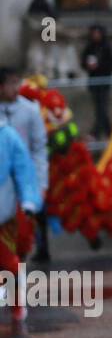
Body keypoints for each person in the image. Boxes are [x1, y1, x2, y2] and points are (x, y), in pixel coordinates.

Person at [0, 68, 48, 262]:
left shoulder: (30, 110)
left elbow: (39, 150)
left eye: (17, 83)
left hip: (23, 185)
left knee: (20, 240)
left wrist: (40, 184)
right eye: (11, 83)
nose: (15, 88)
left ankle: (15, 285)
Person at [0, 123, 39, 323]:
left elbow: (24, 170)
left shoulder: (6, 135)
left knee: (8, 262)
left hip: (3, 213)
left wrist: (29, 200)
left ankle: (17, 304)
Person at [79, 25, 112, 140]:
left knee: (102, 108)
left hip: (104, 82)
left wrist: (99, 66)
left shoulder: (107, 47)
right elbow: (83, 62)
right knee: (100, 109)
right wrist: (88, 66)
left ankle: (95, 133)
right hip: (94, 82)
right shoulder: (90, 47)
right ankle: (110, 133)